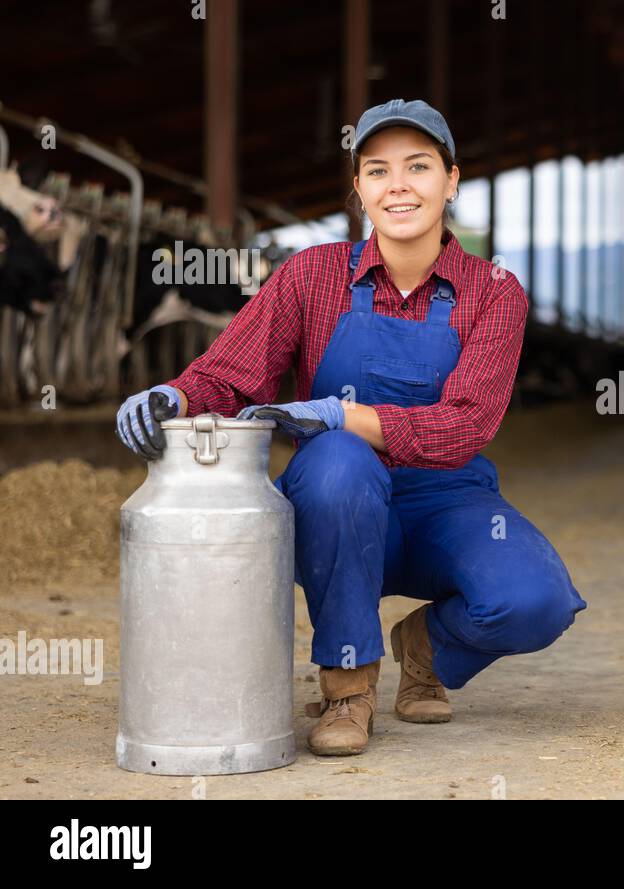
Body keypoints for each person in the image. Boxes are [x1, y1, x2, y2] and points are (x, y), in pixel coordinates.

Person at [114, 98, 587, 757]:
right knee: (338, 461)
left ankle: (425, 647)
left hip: (446, 498)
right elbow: (229, 375)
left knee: (536, 601)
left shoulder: (494, 290)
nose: (399, 185)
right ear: (359, 188)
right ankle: (347, 687)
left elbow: (466, 425)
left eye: (418, 167)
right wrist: (176, 393)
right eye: (378, 169)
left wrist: (343, 412)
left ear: (451, 181)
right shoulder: (311, 275)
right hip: (335, 500)